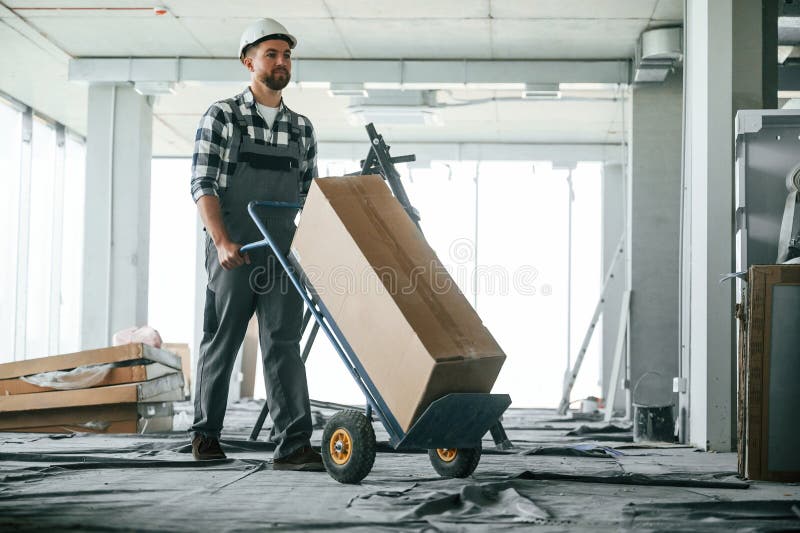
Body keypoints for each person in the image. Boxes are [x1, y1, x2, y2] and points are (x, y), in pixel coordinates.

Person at [189, 18, 323, 471]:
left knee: (283, 343)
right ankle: (206, 435)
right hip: (235, 248)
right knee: (221, 340)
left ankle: (293, 445)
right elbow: (203, 184)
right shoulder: (223, 116)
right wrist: (222, 240)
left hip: (282, 255)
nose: (282, 62)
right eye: (272, 54)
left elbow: (309, 197)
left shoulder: (302, 129)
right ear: (249, 61)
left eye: (287, 55)